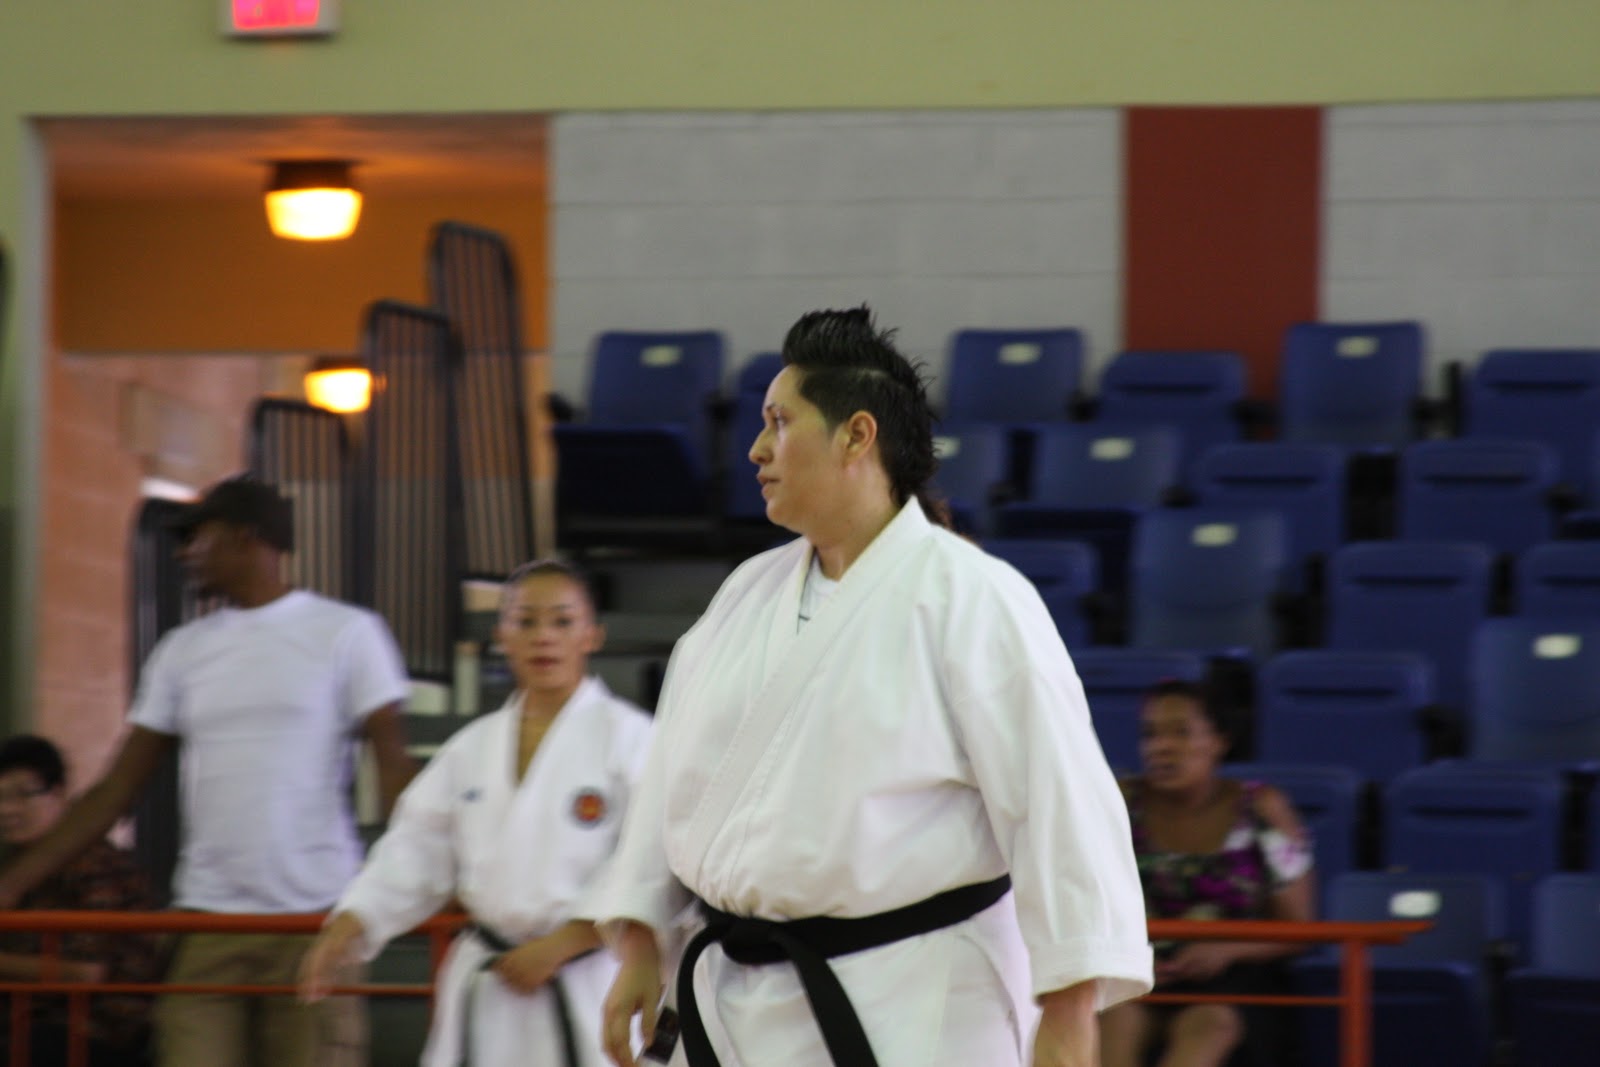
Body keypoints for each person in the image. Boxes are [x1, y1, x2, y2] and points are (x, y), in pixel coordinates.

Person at [590, 306, 1153, 1067]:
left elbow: (1058, 802)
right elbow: (672, 777)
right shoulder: (744, 595)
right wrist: (639, 941)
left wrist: (1070, 1008)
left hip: (914, 999)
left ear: (857, 435)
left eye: (780, 422)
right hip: (733, 996)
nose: (756, 448)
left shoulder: (974, 596)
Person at [0, 475, 417, 1067]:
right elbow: (117, 788)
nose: (181, 553)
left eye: (196, 537)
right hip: (206, 922)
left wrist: (430, 877)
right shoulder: (182, 649)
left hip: (315, 918)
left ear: (247, 538)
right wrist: (14, 883)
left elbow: (395, 765)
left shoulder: (347, 633)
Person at [298, 559, 655, 1067]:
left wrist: (565, 942)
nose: (543, 637)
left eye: (562, 621)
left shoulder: (631, 740)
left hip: (588, 977)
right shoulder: (471, 748)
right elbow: (416, 849)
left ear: (592, 635)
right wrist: (351, 923)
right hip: (492, 978)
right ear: (501, 636)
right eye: (525, 621)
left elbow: (647, 859)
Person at [1099, 680, 1315, 1067]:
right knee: (1116, 1019)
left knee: (1210, 1026)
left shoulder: (1262, 808)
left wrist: (1226, 950)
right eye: (1150, 734)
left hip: (1237, 978)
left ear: (1220, 740)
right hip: (1138, 971)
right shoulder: (1118, 804)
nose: (1161, 747)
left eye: (1181, 733)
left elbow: (1300, 929)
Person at [0, 735, 163, 1065]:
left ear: (59, 793)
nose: (7, 809)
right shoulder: (14, 866)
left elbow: (87, 973)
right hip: (31, 1023)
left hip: (97, 1032)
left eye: (23, 794)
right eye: (0, 797)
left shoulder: (95, 865)